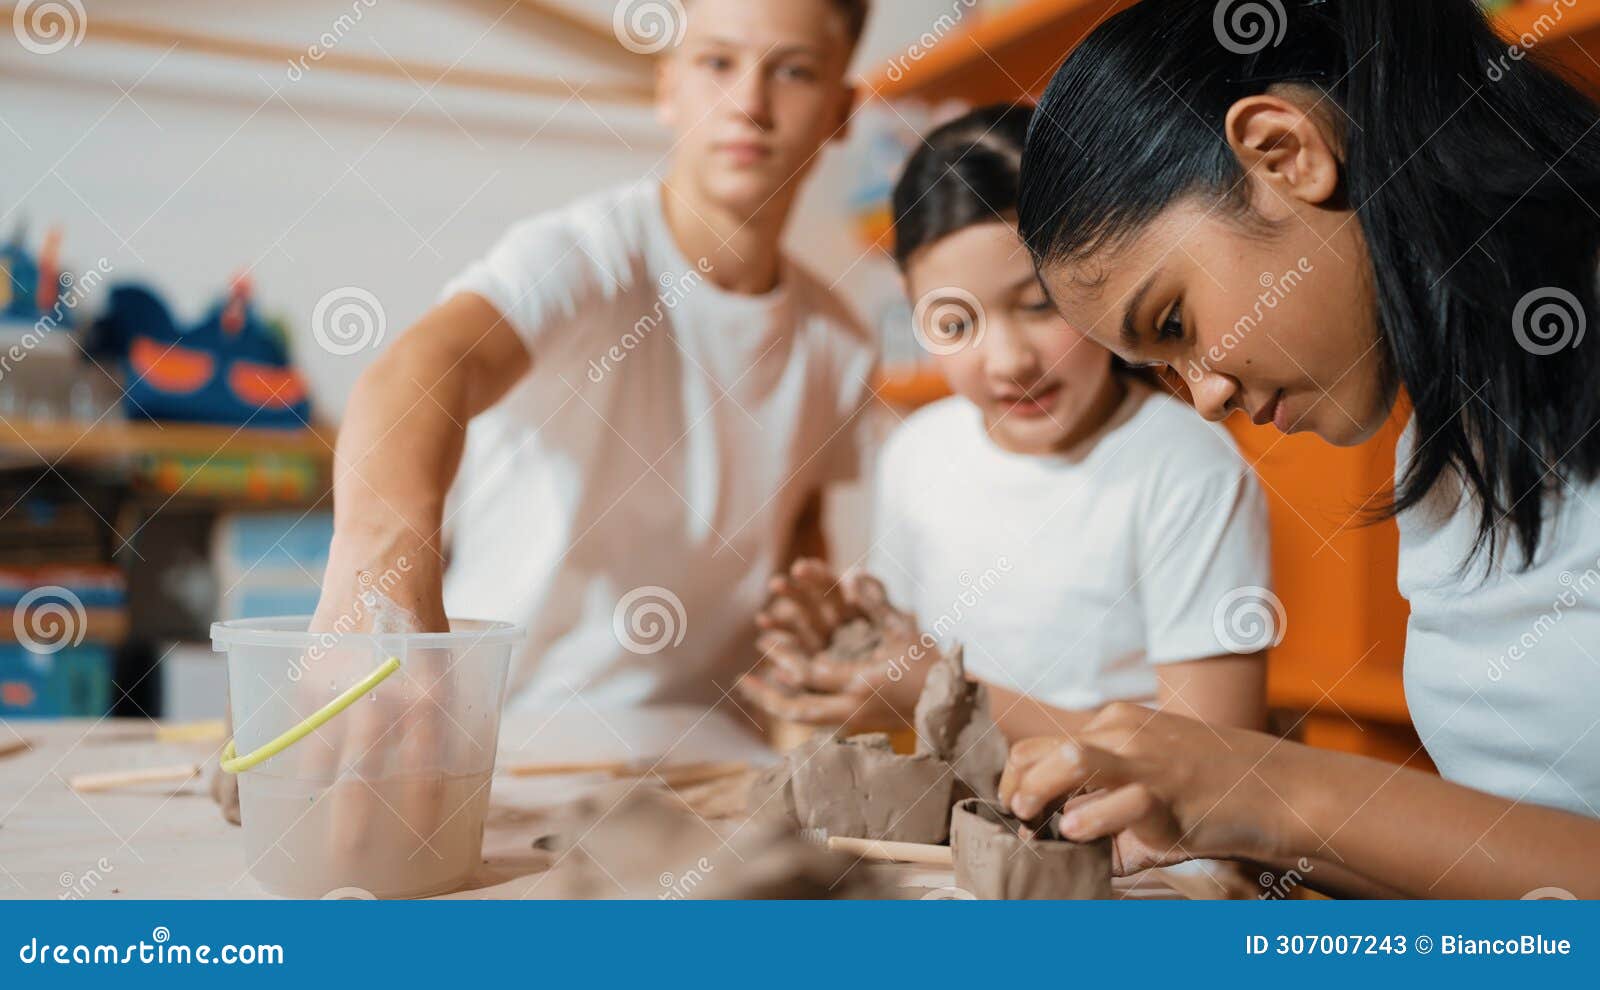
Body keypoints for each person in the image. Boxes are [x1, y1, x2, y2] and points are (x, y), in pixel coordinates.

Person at [214, 0, 876, 822]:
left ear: (842, 111)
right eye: (716, 63)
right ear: (667, 86)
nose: (748, 101)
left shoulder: (841, 344)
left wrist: (821, 640)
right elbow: (421, 368)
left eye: (794, 69)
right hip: (493, 743)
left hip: (704, 768)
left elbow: (795, 543)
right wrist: (372, 590)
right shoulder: (583, 255)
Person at [1003, 0, 1600, 898]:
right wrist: (1252, 836)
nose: (1205, 397)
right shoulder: (1444, 449)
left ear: (1285, 154)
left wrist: (1277, 791)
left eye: (1175, 321)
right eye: (1160, 369)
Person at [738, 105, 1271, 742]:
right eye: (956, 325)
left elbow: (1217, 758)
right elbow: (904, 668)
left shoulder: (1186, 466)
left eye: (1041, 304)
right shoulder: (918, 453)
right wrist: (842, 650)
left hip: (1127, 838)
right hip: (952, 831)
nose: (1011, 361)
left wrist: (952, 696)